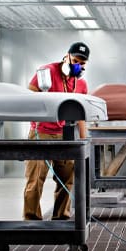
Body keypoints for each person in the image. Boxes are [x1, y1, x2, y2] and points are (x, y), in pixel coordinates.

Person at [22, 42, 90, 220]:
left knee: (67, 179)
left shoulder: (80, 84)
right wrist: (36, 120)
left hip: (65, 135)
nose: (78, 66)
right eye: (75, 61)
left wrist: (84, 140)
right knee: (35, 180)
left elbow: (80, 115)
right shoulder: (47, 72)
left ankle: (61, 218)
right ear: (66, 56)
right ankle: (31, 221)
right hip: (41, 132)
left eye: (82, 64)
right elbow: (27, 98)